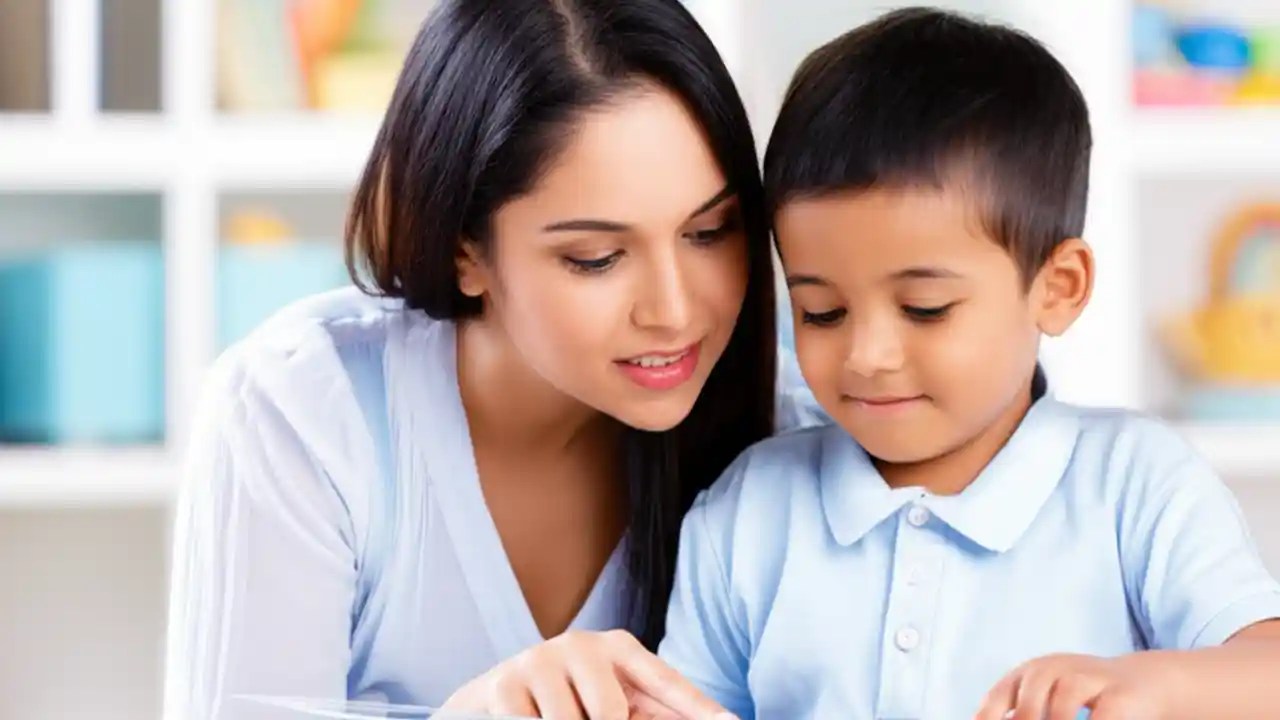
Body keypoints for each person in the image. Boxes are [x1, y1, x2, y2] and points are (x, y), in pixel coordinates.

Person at [163, 1, 821, 718]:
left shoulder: (797, 439)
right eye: (596, 258)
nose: (674, 309)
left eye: (709, 232)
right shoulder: (300, 414)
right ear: (464, 248)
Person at [657, 8, 1280, 719]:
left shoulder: (1134, 484)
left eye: (924, 308)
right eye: (821, 312)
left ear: (1058, 287)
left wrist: (1156, 686)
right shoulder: (748, 514)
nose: (868, 357)